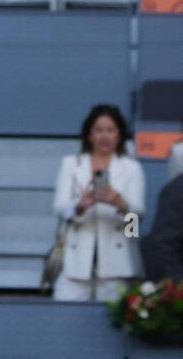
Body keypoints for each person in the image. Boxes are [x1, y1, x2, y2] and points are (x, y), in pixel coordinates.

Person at [51, 105, 145, 301]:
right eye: (99, 130)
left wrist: (121, 204)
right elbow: (60, 211)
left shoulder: (132, 168)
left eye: (111, 130)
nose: (104, 136)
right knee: (64, 315)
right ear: (89, 135)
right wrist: (79, 205)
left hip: (118, 262)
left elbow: (135, 224)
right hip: (74, 260)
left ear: (119, 135)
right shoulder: (71, 164)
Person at [141, 141, 183, 281]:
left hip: (127, 225)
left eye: (110, 130)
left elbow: (134, 210)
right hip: (126, 233)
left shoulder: (129, 168)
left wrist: (120, 204)